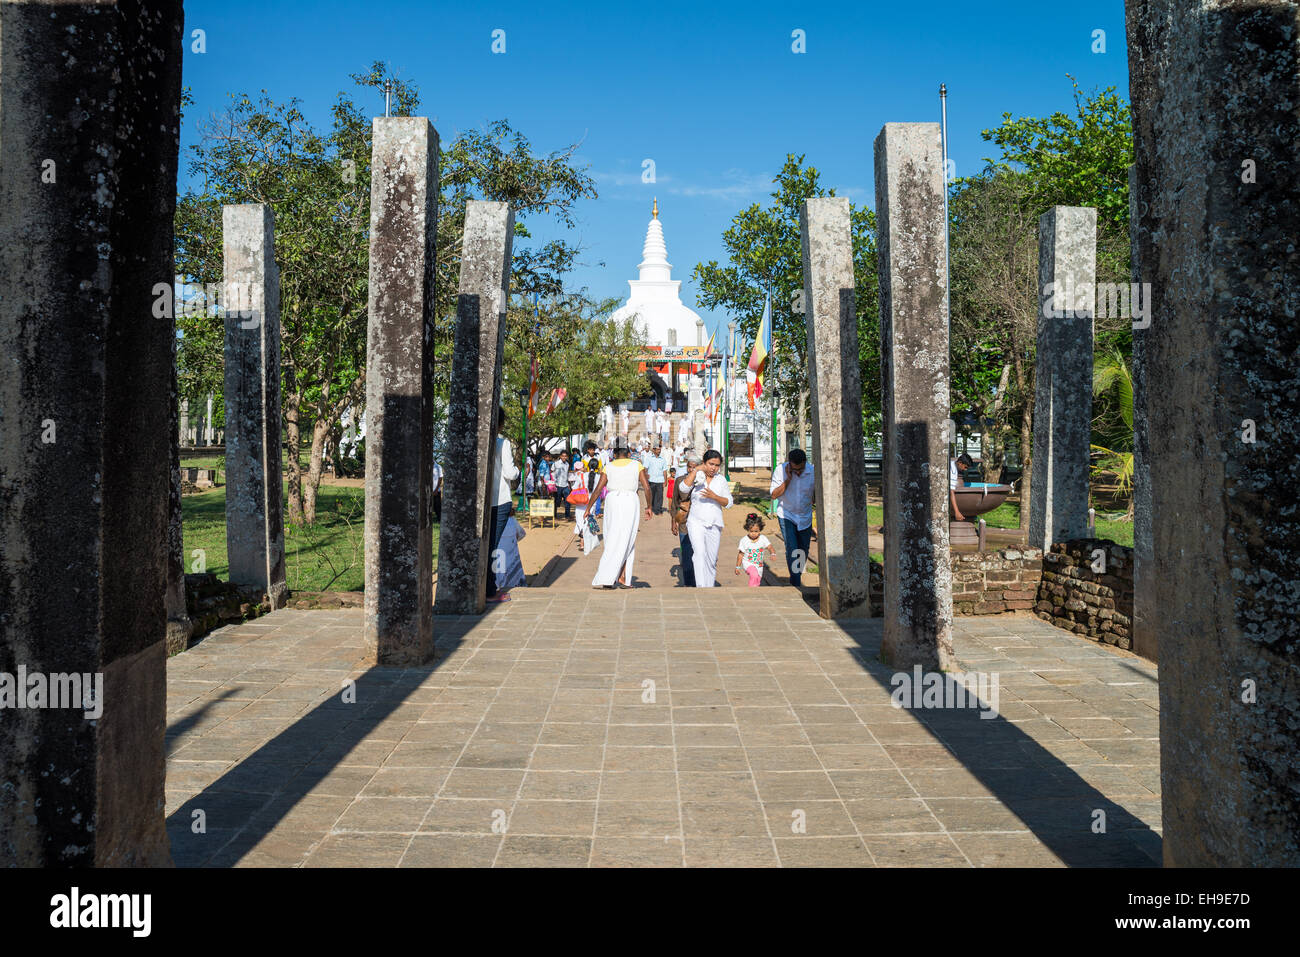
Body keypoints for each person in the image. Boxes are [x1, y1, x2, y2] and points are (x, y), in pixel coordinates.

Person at [589, 436, 653, 588]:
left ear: (614, 453)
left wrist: (588, 508)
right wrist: (649, 507)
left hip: (612, 501)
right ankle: (621, 576)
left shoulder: (609, 466)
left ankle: (609, 577)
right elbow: (647, 487)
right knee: (628, 538)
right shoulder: (637, 465)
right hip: (630, 501)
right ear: (628, 452)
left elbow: (598, 489)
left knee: (612, 538)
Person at [682, 449, 733, 587]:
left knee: (711, 559)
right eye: (711, 464)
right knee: (699, 554)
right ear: (704, 463)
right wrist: (697, 469)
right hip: (695, 522)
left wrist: (714, 497)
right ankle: (701, 588)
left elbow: (729, 503)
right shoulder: (697, 476)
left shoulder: (721, 480)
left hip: (714, 523)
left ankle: (709, 588)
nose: (713, 468)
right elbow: (683, 488)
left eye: (717, 465)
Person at [770, 448, 815, 588]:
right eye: (795, 470)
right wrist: (788, 479)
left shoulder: (813, 471)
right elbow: (774, 495)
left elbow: (816, 496)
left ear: (805, 463)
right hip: (786, 514)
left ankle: (796, 576)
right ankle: (796, 582)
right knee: (792, 548)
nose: (799, 472)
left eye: (801, 469)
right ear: (789, 464)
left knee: (803, 550)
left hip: (805, 516)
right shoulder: (780, 470)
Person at [487, 407, 519, 602]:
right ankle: (490, 590)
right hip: (499, 500)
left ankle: (486, 587)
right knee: (492, 544)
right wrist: (518, 470)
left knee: (485, 544)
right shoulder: (502, 443)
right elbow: (510, 473)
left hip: (482, 501)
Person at [670, 450, 702, 587]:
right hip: (684, 521)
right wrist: (673, 521)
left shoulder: (702, 482)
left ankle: (702, 582)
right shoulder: (679, 481)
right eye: (689, 466)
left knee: (700, 554)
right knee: (687, 554)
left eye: (694, 467)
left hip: (700, 522)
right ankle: (690, 584)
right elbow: (675, 503)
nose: (691, 469)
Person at [735, 513, 775, 587]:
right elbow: (740, 555)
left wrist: (772, 553)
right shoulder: (744, 540)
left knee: (757, 580)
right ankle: (751, 591)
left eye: (756, 531)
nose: (753, 533)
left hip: (759, 565)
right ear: (748, 529)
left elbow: (770, 547)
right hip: (748, 564)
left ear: (760, 530)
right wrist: (738, 567)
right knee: (754, 574)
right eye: (751, 531)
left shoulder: (763, 539)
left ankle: (755, 591)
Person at [495, 504, 527, 595]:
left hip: (496, 557)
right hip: (511, 554)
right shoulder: (512, 520)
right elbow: (521, 534)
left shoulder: (491, 521)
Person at [643, 444, 667, 514]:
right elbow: (645, 468)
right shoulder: (649, 458)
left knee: (659, 496)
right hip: (651, 480)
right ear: (653, 450)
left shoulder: (663, 459)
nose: (659, 451)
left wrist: (666, 481)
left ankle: (658, 510)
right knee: (652, 495)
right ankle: (652, 507)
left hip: (660, 480)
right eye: (658, 449)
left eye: (660, 449)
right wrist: (646, 476)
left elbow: (664, 471)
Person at [950, 452, 974, 520]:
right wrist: (957, 512)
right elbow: (951, 492)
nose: (965, 469)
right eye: (965, 467)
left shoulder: (951, 463)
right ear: (960, 463)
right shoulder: (953, 471)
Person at [552, 449, 571, 520]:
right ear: (560, 456)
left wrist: (569, 484)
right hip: (557, 485)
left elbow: (567, 474)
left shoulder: (567, 464)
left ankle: (567, 515)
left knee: (568, 500)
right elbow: (552, 472)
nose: (564, 457)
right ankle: (554, 515)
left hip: (565, 485)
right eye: (563, 456)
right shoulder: (556, 463)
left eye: (565, 456)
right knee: (557, 501)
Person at [431, 457, 443, 522]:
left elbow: (440, 478)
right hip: (428, 490)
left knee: (437, 506)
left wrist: (436, 490)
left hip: (436, 490)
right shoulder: (427, 466)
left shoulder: (438, 467)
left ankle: (440, 520)